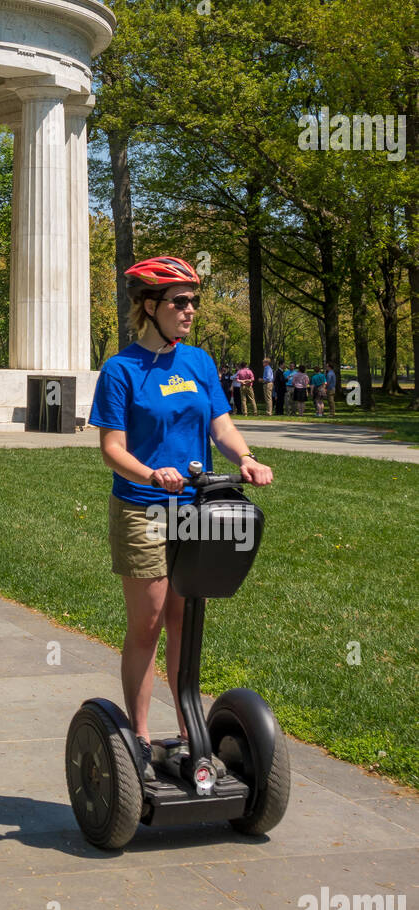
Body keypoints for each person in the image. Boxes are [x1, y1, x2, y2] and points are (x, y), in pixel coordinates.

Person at [88, 255, 273, 776]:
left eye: (194, 300)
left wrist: (246, 458)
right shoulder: (121, 370)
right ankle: (141, 738)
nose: (190, 310)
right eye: (180, 302)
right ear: (151, 307)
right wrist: (151, 474)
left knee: (184, 621)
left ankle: (193, 733)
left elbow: (221, 425)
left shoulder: (198, 362)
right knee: (146, 623)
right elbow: (112, 449)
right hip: (144, 509)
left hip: (194, 509)